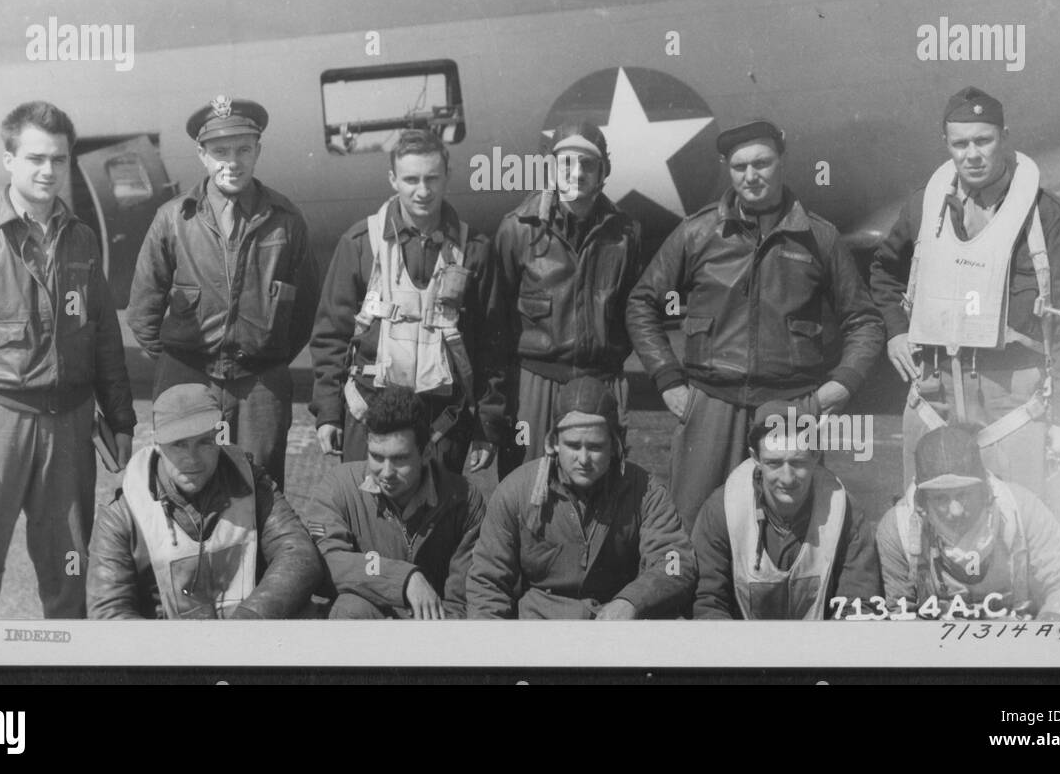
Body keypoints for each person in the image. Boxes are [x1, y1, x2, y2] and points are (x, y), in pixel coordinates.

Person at [625, 119, 884, 530]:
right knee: (691, 527)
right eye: (739, 166)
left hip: (791, 406)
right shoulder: (697, 232)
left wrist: (844, 383)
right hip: (711, 405)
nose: (751, 176)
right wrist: (668, 379)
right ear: (729, 170)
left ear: (782, 162)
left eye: (762, 163)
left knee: (794, 528)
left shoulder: (819, 237)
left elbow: (864, 320)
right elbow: (641, 303)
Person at [869, 86, 1060, 526]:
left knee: (1019, 521)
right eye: (961, 143)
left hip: (1011, 398)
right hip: (933, 390)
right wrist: (895, 331)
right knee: (923, 516)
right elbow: (884, 270)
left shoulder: (1046, 217)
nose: (973, 154)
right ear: (947, 144)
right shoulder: (926, 205)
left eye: (984, 140)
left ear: (1004, 136)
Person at [0, 101, 136, 619]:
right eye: (35, 158)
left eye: (59, 159)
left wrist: (121, 420)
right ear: (9, 159)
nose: (48, 170)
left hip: (69, 425)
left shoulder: (82, 239)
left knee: (70, 566)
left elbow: (105, 340)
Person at [126, 96, 318, 493]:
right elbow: (143, 309)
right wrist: (178, 367)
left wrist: (266, 356)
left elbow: (304, 310)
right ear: (202, 155)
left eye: (243, 149)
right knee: (185, 485)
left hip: (259, 386)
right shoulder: (173, 219)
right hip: (190, 377)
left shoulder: (285, 220)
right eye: (220, 151)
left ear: (258, 151)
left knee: (259, 489)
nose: (232, 161)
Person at [309, 128, 507, 475]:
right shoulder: (360, 244)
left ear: (448, 177)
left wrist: (487, 425)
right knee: (365, 518)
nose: (423, 191)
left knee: (439, 520)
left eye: (432, 178)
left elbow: (493, 346)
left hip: (441, 419)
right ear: (393, 179)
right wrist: (328, 412)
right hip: (369, 412)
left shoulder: (473, 250)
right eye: (411, 179)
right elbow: (331, 335)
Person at [87, 383, 326, 619]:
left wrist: (249, 619)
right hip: (167, 650)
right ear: (157, 445)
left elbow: (298, 553)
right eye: (179, 444)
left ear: (218, 438)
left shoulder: (252, 481)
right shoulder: (121, 513)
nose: (192, 459)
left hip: (247, 639)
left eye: (204, 442)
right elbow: (108, 611)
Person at [468, 376, 696, 619]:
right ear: (553, 443)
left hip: (617, 629)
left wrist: (631, 602)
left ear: (614, 444)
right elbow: (487, 581)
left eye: (596, 447)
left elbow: (675, 561)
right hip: (540, 631)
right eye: (573, 446)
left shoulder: (645, 492)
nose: (584, 459)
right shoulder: (516, 491)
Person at [493, 121, 641, 472]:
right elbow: (495, 322)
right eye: (566, 163)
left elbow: (632, 311)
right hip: (535, 381)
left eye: (587, 164)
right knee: (527, 481)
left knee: (602, 483)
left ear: (604, 171)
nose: (576, 173)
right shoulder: (516, 229)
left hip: (600, 379)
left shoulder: (625, 234)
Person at [304, 386, 486, 619]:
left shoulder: (464, 500)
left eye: (400, 459)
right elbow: (326, 560)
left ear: (427, 452)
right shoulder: (338, 487)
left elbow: (463, 597)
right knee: (351, 607)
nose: (386, 472)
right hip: (367, 623)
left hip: (432, 628)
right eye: (377, 457)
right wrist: (404, 579)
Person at [691, 399, 881, 620]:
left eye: (798, 463)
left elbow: (858, 606)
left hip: (821, 647)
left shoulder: (845, 509)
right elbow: (706, 603)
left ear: (815, 457)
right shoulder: (722, 507)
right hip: (742, 646)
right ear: (755, 458)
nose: (787, 478)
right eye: (774, 463)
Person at [876, 424, 1060, 620]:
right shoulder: (897, 530)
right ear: (922, 501)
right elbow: (901, 617)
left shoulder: (1022, 509)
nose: (956, 510)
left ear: (985, 488)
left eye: (964, 494)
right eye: (940, 498)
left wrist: (1051, 622)